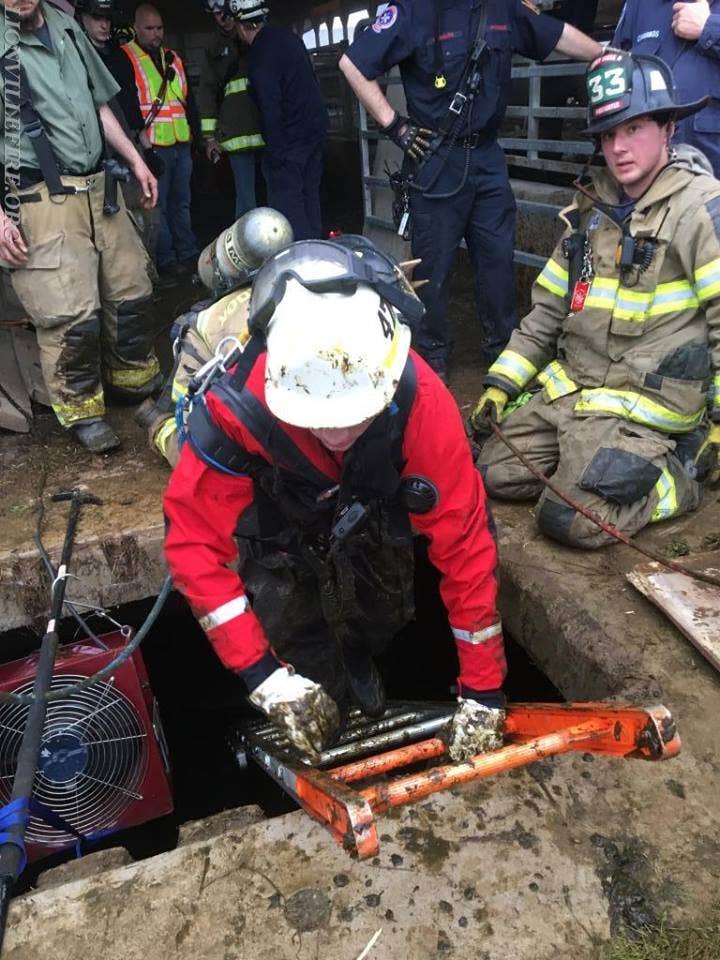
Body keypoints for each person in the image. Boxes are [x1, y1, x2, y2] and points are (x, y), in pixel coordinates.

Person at [163, 236, 506, 764]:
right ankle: (318, 681)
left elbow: (464, 545)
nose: (339, 433)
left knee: (384, 604)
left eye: (355, 415)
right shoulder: (239, 409)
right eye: (320, 420)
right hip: (276, 503)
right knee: (290, 617)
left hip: (367, 498)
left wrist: (484, 690)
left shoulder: (420, 401)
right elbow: (193, 546)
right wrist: (263, 676)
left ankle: (365, 667)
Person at [472, 50, 720, 548]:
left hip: (647, 406)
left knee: (571, 519)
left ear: (668, 128)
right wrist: (502, 383)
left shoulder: (701, 209)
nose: (618, 147)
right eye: (608, 135)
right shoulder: (590, 210)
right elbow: (548, 310)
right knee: (494, 472)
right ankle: (590, 466)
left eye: (634, 129)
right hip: (579, 394)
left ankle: (681, 474)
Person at [339, 2, 602, 380]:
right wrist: (395, 126)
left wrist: (604, 54)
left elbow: (554, 34)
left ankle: (503, 353)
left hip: (487, 156)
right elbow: (352, 63)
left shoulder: (502, 8)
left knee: (498, 262)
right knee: (432, 270)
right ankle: (433, 358)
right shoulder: (413, 11)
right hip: (436, 158)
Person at [0, 0, 159, 453]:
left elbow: (100, 103)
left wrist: (135, 160)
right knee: (71, 313)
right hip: (40, 196)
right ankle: (83, 412)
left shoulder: (68, 27)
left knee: (131, 289)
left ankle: (133, 384)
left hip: (99, 187)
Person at [138, 206, 293, 465]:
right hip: (326, 424)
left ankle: (159, 429)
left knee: (192, 448)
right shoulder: (313, 288)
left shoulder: (205, 322)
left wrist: (162, 427)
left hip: (268, 441)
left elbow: (184, 405)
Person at [228, 0, 328, 240]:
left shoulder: (260, 55)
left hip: (289, 141)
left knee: (288, 204)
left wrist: (276, 153)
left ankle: (300, 252)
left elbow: (269, 106)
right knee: (310, 195)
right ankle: (317, 246)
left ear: (240, 26)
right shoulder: (289, 39)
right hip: (314, 133)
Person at [122, 2, 198, 278]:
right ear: (136, 28)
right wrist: (145, 150)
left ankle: (188, 253)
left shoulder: (173, 58)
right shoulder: (126, 57)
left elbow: (188, 100)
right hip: (153, 147)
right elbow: (128, 108)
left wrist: (197, 136)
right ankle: (166, 260)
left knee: (182, 203)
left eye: (160, 28)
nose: (156, 33)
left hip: (181, 143)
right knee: (158, 206)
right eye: (149, 28)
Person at [613, 0, 720, 177]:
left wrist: (710, 28)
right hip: (646, 179)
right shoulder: (639, 4)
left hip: (713, 176)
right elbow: (614, 71)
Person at [197, 0, 264, 221]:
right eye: (217, 14)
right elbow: (207, 91)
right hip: (236, 134)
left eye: (225, 13)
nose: (223, 19)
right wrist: (209, 138)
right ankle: (245, 240)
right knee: (246, 201)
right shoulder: (213, 47)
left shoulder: (256, 35)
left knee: (274, 193)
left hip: (265, 129)